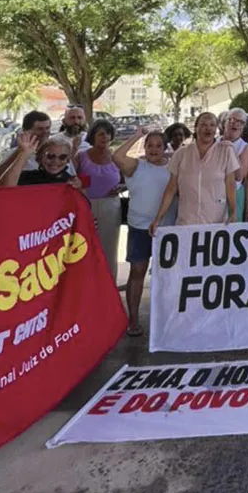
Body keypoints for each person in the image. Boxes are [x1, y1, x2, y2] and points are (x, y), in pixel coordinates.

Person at [111, 127, 170, 337]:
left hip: (167, 229)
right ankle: (133, 319)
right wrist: (136, 136)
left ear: (165, 148)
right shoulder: (136, 166)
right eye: (150, 145)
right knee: (137, 273)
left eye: (158, 146)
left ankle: (166, 318)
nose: (154, 149)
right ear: (144, 147)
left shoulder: (173, 166)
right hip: (139, 228)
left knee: (166, 277)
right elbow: (117, 156)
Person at [151, 111, 238, 231]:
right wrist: (158, 219)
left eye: (212, 125)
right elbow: (171, 188)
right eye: (203, 125)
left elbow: (231, 185)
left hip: (216, 223)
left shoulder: (226, 151)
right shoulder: (181, 153)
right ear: (196, 128)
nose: (208, 129)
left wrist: (233, 212)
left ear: (217, 129)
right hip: (187, 222)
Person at [76, 118, 123, 281]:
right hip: (86, 206)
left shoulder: (116, 157)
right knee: (85, 248)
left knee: (109, 248)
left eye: (108, 134)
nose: (105, 138)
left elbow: (130, 178)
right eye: (101, 134)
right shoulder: (81, 157)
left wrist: (122, 187)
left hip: (111, 207)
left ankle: (110, 286)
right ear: (93, 136)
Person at [0, 109, 53, 185]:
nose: (45, 132)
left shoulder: (58, 152)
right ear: (25, 131)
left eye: (47, 128)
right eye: (40, 129)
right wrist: (20, 152)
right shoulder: (11, 153)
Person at [0, 132, 82, 188]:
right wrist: (24, 154)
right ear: (40, 158)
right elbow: (4, 189)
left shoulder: (71, 182)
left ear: (68, 160)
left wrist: (78, 189)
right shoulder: (28, 177)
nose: (56, 161)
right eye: (50, 156)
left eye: (62, 157)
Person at [221, 107, 248, 222]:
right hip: (213, 192)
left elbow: (239, 176)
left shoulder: (244, 147)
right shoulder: (215, 142)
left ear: (244, 126)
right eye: (230, 119)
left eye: (240, 122)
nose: (234, 123)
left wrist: (230, 149)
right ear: (225, 122)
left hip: (234, 195)